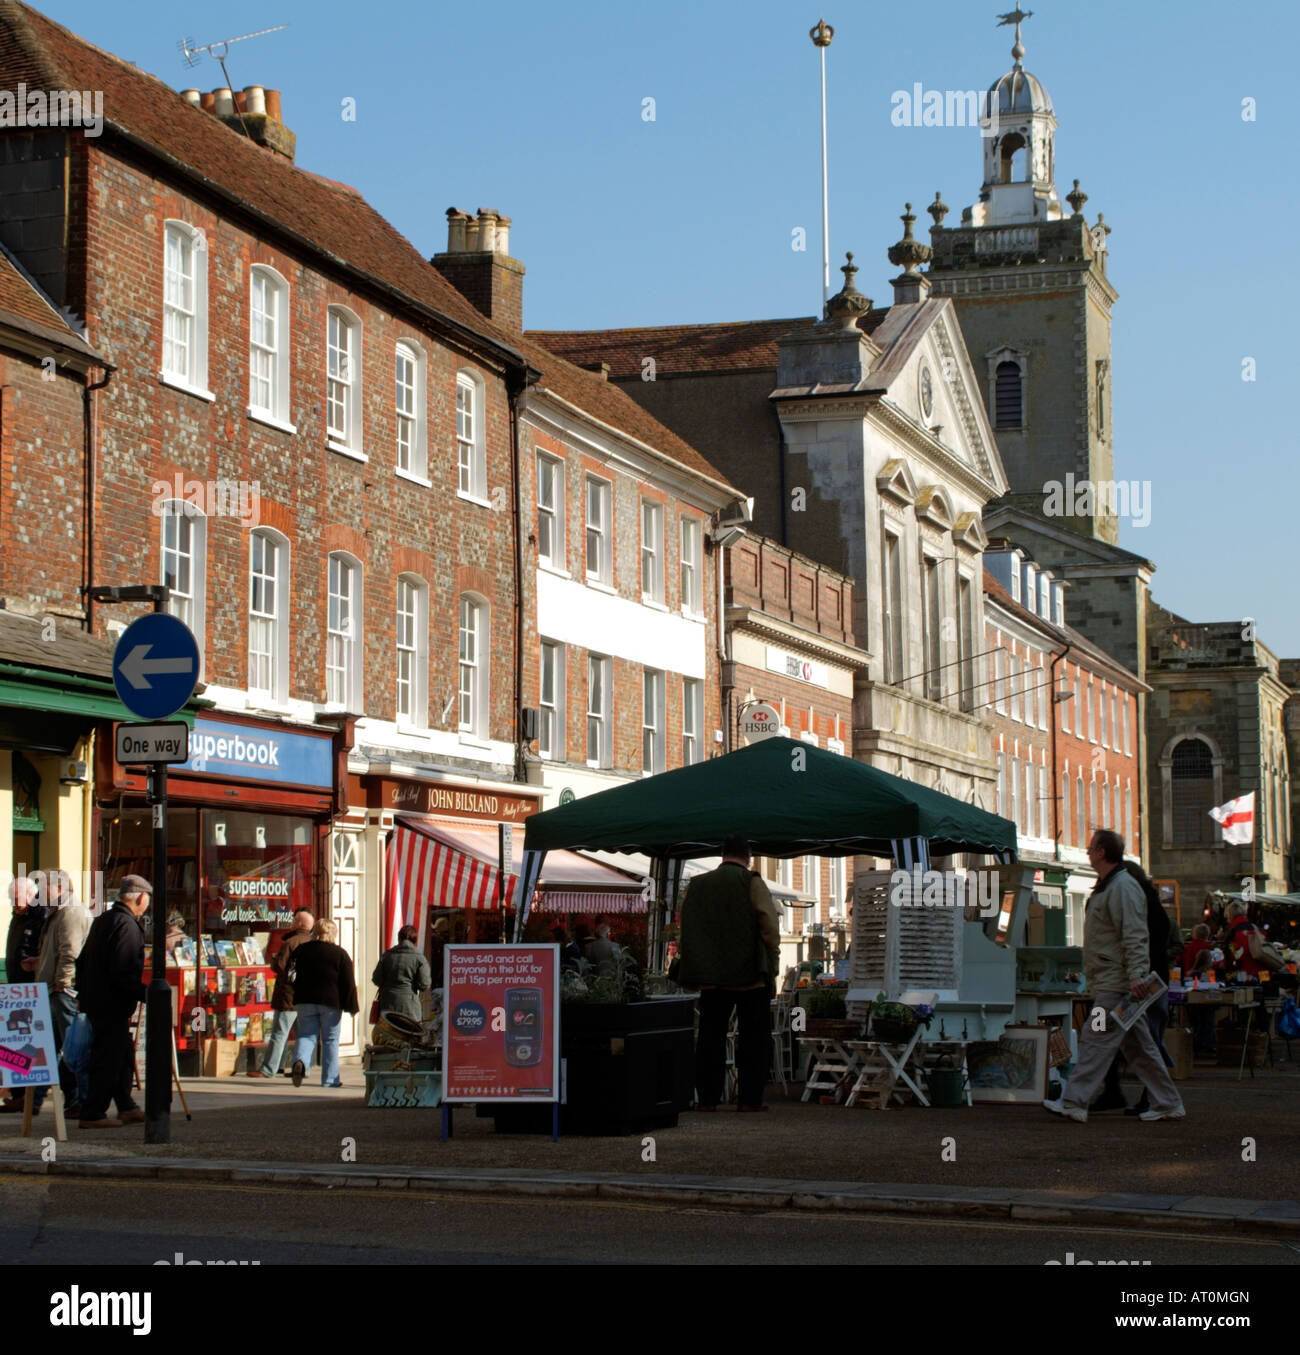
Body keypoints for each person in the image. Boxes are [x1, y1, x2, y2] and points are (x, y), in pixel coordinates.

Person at [1043, 831, 1185, 1123]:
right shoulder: (1112, 887)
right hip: (1119, 982)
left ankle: (1073, 1101)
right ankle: (1168, 1102)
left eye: (1091, 846)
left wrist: (1135, 975)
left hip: (1117, 984)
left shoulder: (1120, 888)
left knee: (1095, 1039)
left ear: (1102, 852)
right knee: (1139, 1047)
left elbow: (1134, 934)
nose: (1087, 850)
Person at [676, 833, 781, 1113]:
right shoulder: (752, 882)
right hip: (750, 976)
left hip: (711, 978)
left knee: (710, 1038)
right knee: (753, 1038)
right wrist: (773, 960)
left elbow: (687, 927)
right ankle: (749, 1099)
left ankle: (708, 1099)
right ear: (748, 857)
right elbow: (768, 924)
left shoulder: (698, 885)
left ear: (722, 854)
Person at [1091, 858, 1173, 1116]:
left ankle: (1154, 1098)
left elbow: (1140, 944)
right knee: (1138, 1041)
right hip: (1141, 984)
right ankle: (1153, 1098)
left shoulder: (1141, 907)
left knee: (1139, 1042)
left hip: (1142, 986)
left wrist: (1135, 974)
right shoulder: (1147, 906)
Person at [74, 875, 151, 1129]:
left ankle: (127, 1106)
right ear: (141, 898)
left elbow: (81, 961)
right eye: (147, 899)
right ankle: (93, 1112)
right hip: (112, 1003)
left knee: (122, 1054)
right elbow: (123, 971)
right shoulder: (126, 925)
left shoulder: (104, 920)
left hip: (97, 1001)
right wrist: (146, 994)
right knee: (108, 1058)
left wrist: (84, 994)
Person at [14, 871, 92, 1117]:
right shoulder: (58, 913)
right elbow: (59, 951)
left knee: (73, 1048)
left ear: (59, 888)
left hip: (62, 991)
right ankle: (36, 1100)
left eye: (44, 888)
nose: (39, 895)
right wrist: (41, 963)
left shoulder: (71, 913)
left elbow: (71, 951)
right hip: (53, 989)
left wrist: (62, 981)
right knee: (48, 1048)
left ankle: (83, 1099)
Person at [290, 918, 358, 1089]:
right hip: (331, 1001)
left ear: (315, 932)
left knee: (306, 1034)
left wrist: (296, 990)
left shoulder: (301, 950)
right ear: (333, 933)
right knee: (330, 1040)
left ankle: (300, 1061)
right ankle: (330, 1079)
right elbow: (348, 981)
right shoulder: (340, 954)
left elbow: (290, 973)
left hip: (305, 999)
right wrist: (351, 1005)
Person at [249, 907, 314, 1078]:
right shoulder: (314, 942)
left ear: (299, 923)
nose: (292, 923)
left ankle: (269, 1068)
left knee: (280, 1033)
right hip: (306, 997)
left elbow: (280, 966)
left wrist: (274, 959)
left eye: (294, 920)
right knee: (303, 1035)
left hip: (289, 996)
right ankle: (302, 1068)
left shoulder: (290, 943)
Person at [1, 876, 43, 1111]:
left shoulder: (39, 916)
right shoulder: (18, 917)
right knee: (16, 1042)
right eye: (11, 898)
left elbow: (43, 950)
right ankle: (19, 1094)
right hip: (16, 988)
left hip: (33, 988)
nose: (13, 903)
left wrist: (36, 962)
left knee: (36, 1044)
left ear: (30, 895)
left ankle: (31, 1097)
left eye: (16, 898)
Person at [1224, 901, 1298, 988]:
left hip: (1247, 976)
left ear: (1230, 916)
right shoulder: (1257, 929)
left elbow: (1233, 957)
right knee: (1265, 996)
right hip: (1264, 972)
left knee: (1250, 997)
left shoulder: (1232, 935)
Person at [372, 924, 432, 1023]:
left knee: (389, 1036)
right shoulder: (419, 958)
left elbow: (376, 979)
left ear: (399, 938)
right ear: (415, 940)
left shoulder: (387, 955)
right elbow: (424, 984)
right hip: (410, 1007)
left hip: (388, 1004)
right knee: (410, 1036)